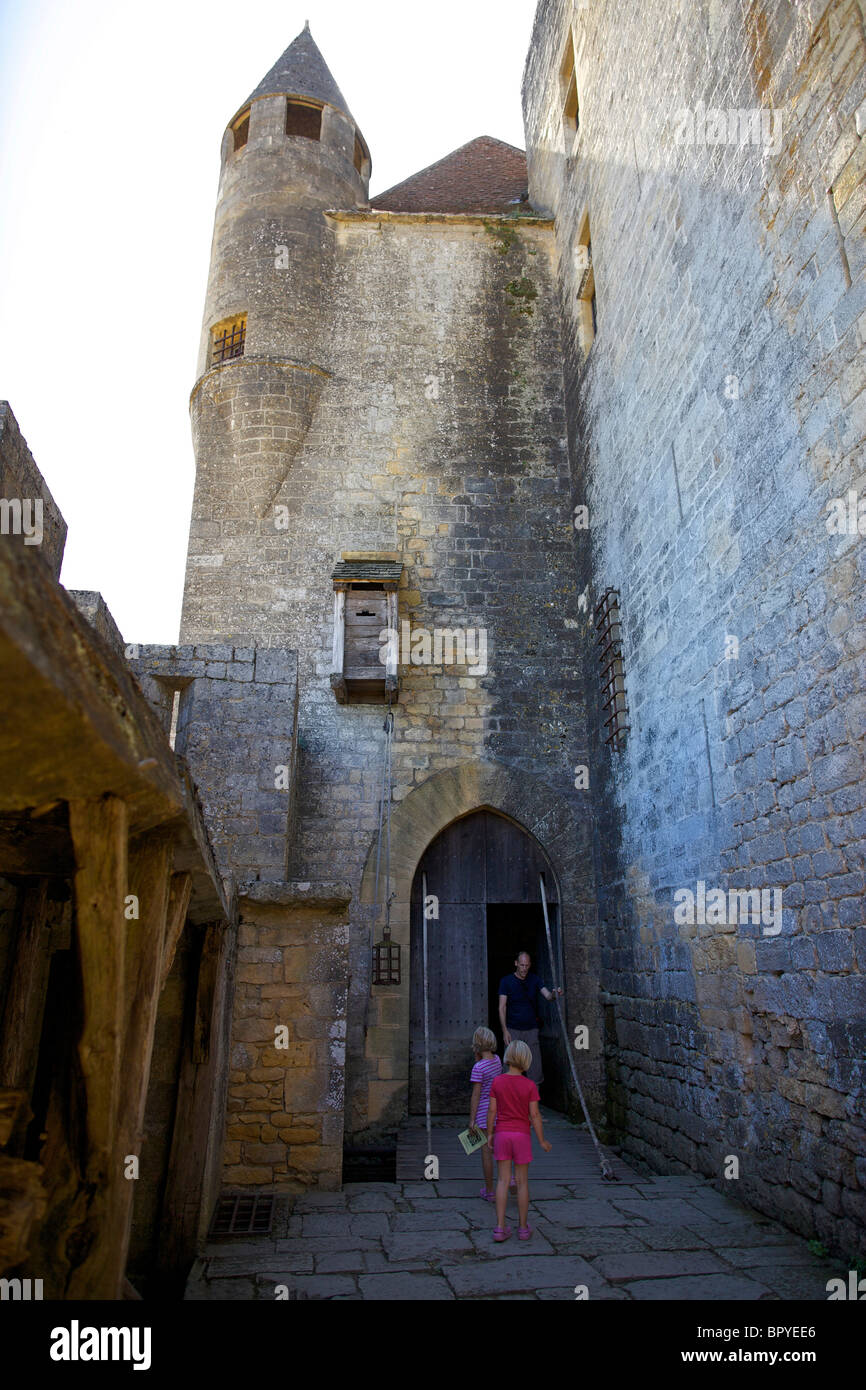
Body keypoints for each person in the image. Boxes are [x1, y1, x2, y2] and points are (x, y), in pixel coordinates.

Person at [486, 1039, 551, 1241]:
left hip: (502, 1134)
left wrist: (490, 1133)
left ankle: (499, 1227)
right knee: (522, 1182)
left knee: (503, 1181)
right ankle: (523, 1228)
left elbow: (492, 1110)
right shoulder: (530, 1086)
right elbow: (535, 1116)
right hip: (522, 1135)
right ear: (526, 1060)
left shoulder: (497, 1082)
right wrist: (541, 1140)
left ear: (507, 1058)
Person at [498, 950, 562, 1085]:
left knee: (535, 1068)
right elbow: (501, 1007)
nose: (524, 968)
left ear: (530, 965)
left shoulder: (535, 979)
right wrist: (505, 1031)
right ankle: (508, 1101)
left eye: (527, 965)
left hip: (531, 1030)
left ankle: (533, 1103)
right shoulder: (506, 981)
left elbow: (548, 996)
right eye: (522, 965)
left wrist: (555, 993)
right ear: (516, 963)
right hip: (512, 1029)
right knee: (510, 1066)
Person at [467, 1026, 502, 1202]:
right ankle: (507, 1179)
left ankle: (489, 1190)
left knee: (486, 1153)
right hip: (499, 1112)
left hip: (483, 1115)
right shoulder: (497, 1061)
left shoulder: (478, 1068)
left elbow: (476, 1095)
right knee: (501, 1149)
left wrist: (472, 1120)